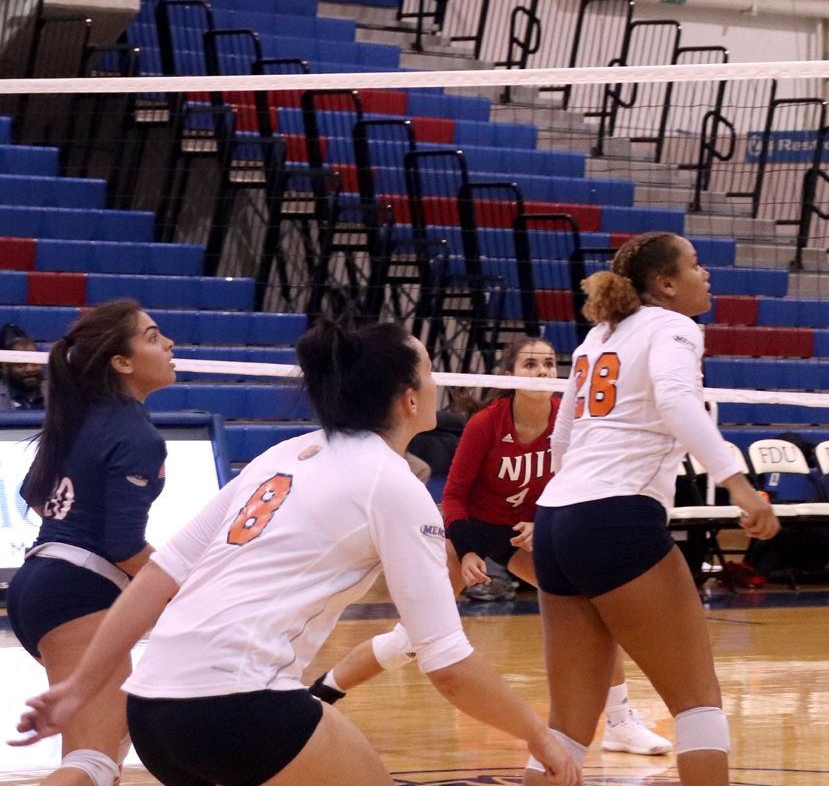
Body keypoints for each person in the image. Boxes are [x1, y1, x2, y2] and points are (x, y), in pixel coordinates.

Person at [13, 317, 581, 786]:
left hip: (151, 710)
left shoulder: (281, 455)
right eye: (431, 372)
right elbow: (447, 661)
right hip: (238, 704)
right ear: (409, 399)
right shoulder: (393, 485)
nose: (438, 384)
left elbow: (159, 576)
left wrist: (78, 688)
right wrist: (540, 736)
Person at [305, 335, 672, 755]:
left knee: (594, 613)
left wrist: (541, 520)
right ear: (509, 375)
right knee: (413, 638)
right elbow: (454, 496)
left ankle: (621, 723)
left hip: (522, 533)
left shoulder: (567, 420)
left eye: (549, 364)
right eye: (530, 365)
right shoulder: (486, 424)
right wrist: (467, 551)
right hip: (473, 530)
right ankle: (322, 694)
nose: (542, 373)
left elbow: (575, 480)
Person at [527, 231, 777, 786]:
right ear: (665, 284)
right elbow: (676, 400)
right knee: (698, 704)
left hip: (557, 518)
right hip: (615, 518)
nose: (705, 274)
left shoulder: (597, 337)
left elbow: (563, 436)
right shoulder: (673, 327)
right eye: (694, 265)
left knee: (567, 726)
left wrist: (569, 502)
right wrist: (738, 485)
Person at [4, 302, 173, 786]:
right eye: (153, 336)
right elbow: (123, 545)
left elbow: (34, 495)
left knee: (107, 753)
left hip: (41, 584)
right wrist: (186, 588)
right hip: (77, 596)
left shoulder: (78, 419)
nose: (169, 344)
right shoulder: (135, 434)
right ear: (122, 362)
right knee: (92, 762)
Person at [2, 323, 47, 410]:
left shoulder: (57, 394)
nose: (30, 369)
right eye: (21, 365)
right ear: (5, 367)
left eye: (35, 363)